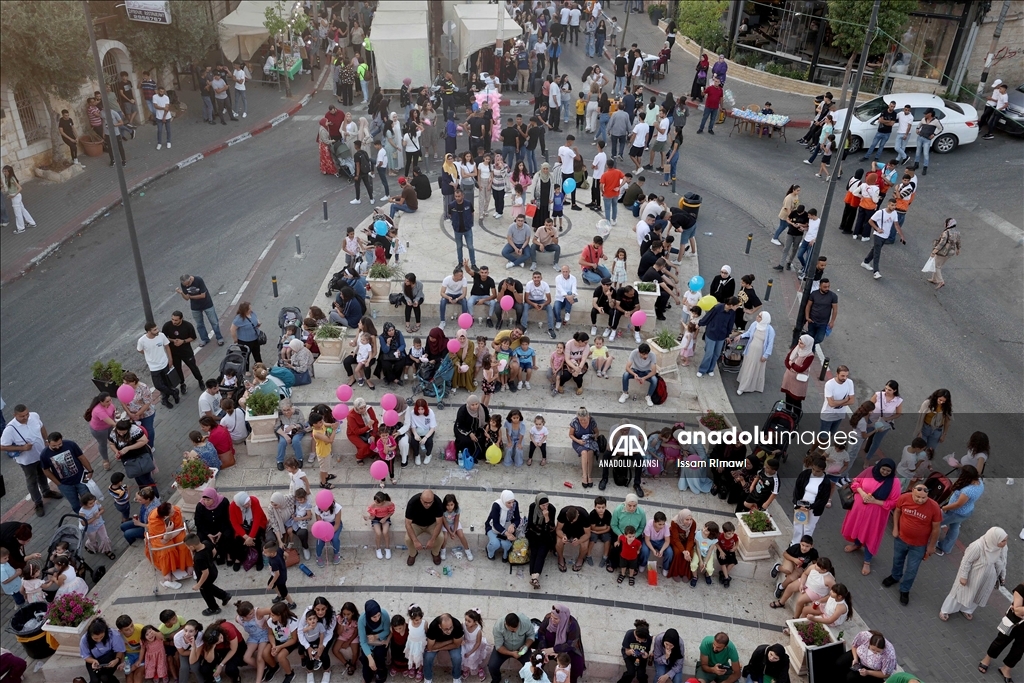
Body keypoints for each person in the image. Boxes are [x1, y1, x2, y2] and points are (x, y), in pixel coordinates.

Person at [841, 459, 900, 575]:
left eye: (888, 471)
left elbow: (894, 502)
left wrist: (875, 501)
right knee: (857, 528)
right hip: (858, 509)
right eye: (883, 469)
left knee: (871, 535)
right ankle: (857, 544)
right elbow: (856, 482)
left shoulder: (894, 482)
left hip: (876, 515)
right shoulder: (869, 471)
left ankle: (867, 561)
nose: (885, 472)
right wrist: (862, 493)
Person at [2, 405, 63, 516]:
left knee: (43, 473)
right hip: (27, 460)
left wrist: (46, 440)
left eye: (27, 414)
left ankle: (46, 491)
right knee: (32, 481)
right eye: (22, 416)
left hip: (41, 454)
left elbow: (41, 427)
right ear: (14, 415)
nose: (25, 417)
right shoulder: (10, 429)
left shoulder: (34, 416)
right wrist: (22, 448)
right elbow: (2, 446)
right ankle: (38, 502)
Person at [978, 579, 1024, 681]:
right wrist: (1019, 610)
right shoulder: (1021, 588)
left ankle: (1006, 669)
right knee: (1000, 641)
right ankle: (987, 659)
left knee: (1019, 651)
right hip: (1013, 622)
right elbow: (1017, 611)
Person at [936, 465, 985, 556]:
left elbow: (958, 504)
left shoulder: (968, 490)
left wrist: (944, 508)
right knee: (954, 527)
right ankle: (946, 547)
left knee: (937, 523)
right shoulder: (980, 482)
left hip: (955, 512)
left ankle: (932, 543)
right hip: (966, 511)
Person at [146, 502, 193, 589]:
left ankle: (189, 564)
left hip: (175, 531)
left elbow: (179, 527)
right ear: (166, 516)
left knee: (182, 540)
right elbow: (163, 539)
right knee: (167, 549)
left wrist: (170, 534)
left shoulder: (175, 510)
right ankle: (167, 572)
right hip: (159, 537)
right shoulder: (154, 519)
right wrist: (168, 532)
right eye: (172, 511)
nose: (174, 510)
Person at [537, 605, 586, 683]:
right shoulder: (548, 618)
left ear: (563, 618)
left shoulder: (572, 625)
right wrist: (545, 650)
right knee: (537, 658)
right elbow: (541, 633)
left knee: (576, 665)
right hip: (548, 647)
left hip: (566, 650)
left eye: (556, 618)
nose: (552, 620)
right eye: (552, 617)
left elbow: (571, 644)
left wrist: (554, 650)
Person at [696, 297, 740, 378]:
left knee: (716, 354)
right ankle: (702, 369)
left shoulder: (732, 312)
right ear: (731, 305)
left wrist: (727, 335)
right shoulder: (717, 308)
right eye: (736, 306)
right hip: (712, 333)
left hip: (722, 336)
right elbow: (708, 316)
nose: (737, 307)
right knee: (709, 353)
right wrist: (700, 324)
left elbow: (730, 324)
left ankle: (710, 369)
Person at [194, 488, 235, 566]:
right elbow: (198, 522)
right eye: (204, 499)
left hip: (222, 526)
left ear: (214, 498)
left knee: (228, 534)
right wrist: (208, 534)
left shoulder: (223, 502)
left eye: (208, 500)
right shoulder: (200, 506)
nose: (206, 502)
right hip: (207, 528)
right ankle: (208, 557)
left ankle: (229, 555)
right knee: (201, 538)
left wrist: (220, 531)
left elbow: (228, 518)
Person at [404, 490, 444, 566]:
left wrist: (432, 540)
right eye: (425, 502)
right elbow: (407, 523)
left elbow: (439, 523)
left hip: (432, 524)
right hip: (416, 524)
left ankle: (435, 553)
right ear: (420, 499)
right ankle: (413, 554)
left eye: (430, 502)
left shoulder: (437, 502)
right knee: (407, 538)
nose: (428, 505)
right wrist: (415, 541)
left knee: (440, 537)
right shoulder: (412, 502)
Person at [80, 618, 127, 683]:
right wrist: (93, 661)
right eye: (95, 638)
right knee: (95, 680)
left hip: (111, 658)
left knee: (105, 678)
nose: (99, 640)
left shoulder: (113, 634)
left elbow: (120, 650)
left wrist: (117, 660)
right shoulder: (84, 639)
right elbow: (86, 656)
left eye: (101, 637)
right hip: (93, 660)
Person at [525, 493, 557, 589]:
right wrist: (540, 529)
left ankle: (535, 577)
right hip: (534, 534)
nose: (545, 507)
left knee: (541, 553)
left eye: (547, 504)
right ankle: (534, 578)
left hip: (546, 536)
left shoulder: (551, 509)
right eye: (543, 505)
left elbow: (551, 527)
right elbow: (530, 523)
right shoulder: (533, 507)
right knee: (534, 552)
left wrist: (547, 518)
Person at [423, 613, 464, 683]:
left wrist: (438, 648)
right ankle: (428, 677)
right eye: (446, 629)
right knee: (427, 657)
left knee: (457, 658)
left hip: (441, 645)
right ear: (440, 626)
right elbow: (430, 647)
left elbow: (456, 645)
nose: (449, 631)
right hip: (447, 643)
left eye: (451, 627)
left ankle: (457, 677)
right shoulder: (433, 626)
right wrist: (450, 641)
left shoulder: (457, 625)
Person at [927, 217, 961, 290]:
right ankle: (934, 279)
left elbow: (941, 244)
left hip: (943, 252)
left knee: (937, 266)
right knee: (938, 265)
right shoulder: (957, 232)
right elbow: (958, 241)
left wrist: (934, 251)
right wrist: (958, 249)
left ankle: (941, 281)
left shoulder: (946, 232)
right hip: (950, 252)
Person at [820, 365, 856, 433]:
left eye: (846, 376)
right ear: (837, 374)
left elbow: (852, 401)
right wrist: (845, 400)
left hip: (839, 415)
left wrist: (836, 402)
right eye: (842, 376)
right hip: (828, 414)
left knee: (831, 434)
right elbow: (831, 404)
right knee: (823, 437)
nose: (845, 378)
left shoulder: (849, 382)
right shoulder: (829, 384)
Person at [911, 108, 943, 175]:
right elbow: (919, 125)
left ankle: (925, 167)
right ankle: (916, 164)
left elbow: (940, 128)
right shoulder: (923, 119)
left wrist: (934, 134)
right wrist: (917, 129)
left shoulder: (935, 121)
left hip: (927, 139)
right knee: (918, 152)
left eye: (926, 113)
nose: (925, 115)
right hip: (920, 137)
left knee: (925, 154)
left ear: (930, 114)